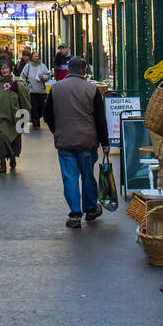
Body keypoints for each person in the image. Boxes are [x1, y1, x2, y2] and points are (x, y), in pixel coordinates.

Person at [44, 55, 109, 228]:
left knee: (70, 177)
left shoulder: (56, 89)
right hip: (87, 141)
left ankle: (74, 214)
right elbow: (100, 120)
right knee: (88, 176)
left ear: (68, 69)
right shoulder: (92, 90)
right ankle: (90, 208)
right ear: (84, 71)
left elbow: (47, 114)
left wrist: (56, 130)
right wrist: (105, 143)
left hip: (65, 141)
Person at [0, 57, 30, 174]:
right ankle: (2, 162)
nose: (5, 70)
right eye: (2, 68)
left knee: (15, 140)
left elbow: (25, 96)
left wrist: (16, 84)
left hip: (16, 118)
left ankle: (12, 157)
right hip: (1, 119)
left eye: (6, 68)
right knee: (2, 139)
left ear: (10, 68)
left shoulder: (18, 81)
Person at [21, 51, 50, 128]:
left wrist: (43, 77)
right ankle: (36, 123)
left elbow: (48, 77)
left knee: (41, 108)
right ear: (32, 57)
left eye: (38, 56)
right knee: (33, 108)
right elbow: (22, 77)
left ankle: (37, 118)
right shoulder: (28, 66)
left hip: (41, 91)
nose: (37, 58)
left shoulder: (42, 66)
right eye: (35, 56)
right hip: (31, 91)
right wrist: (25, 85)